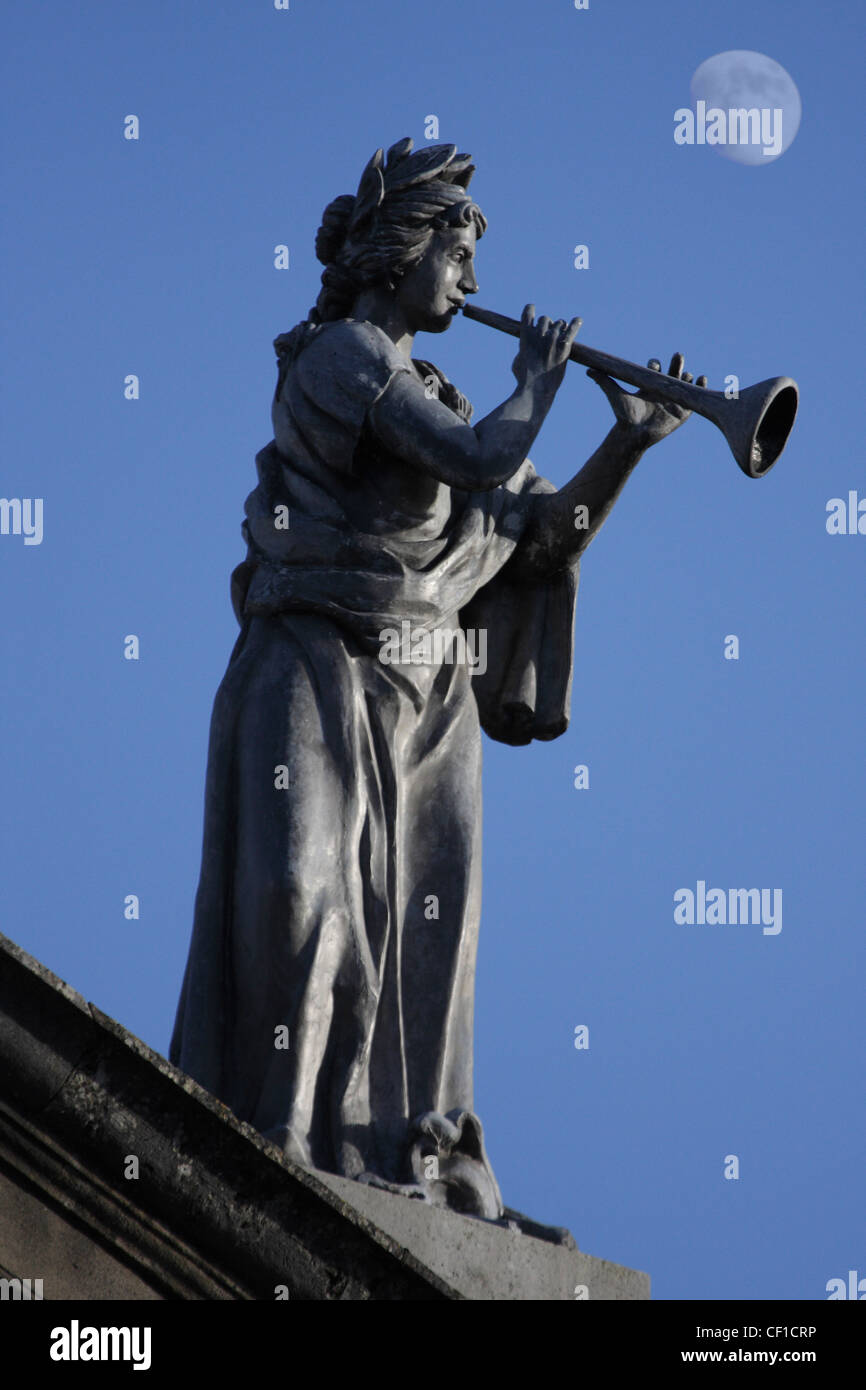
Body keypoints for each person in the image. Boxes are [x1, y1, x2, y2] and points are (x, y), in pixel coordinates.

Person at [170, 138, 703, 1219]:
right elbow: (474, 462)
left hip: (427, 689)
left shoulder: (443, 392)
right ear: (397, 250)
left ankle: (392, 1146)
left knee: (422, 942)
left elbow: (546, 533)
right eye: (456, 249)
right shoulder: (343, 359)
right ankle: (277, 1136)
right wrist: (534, 386)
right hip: (316, 661)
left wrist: (628, 445)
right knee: (300, 900)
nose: (469, 277)